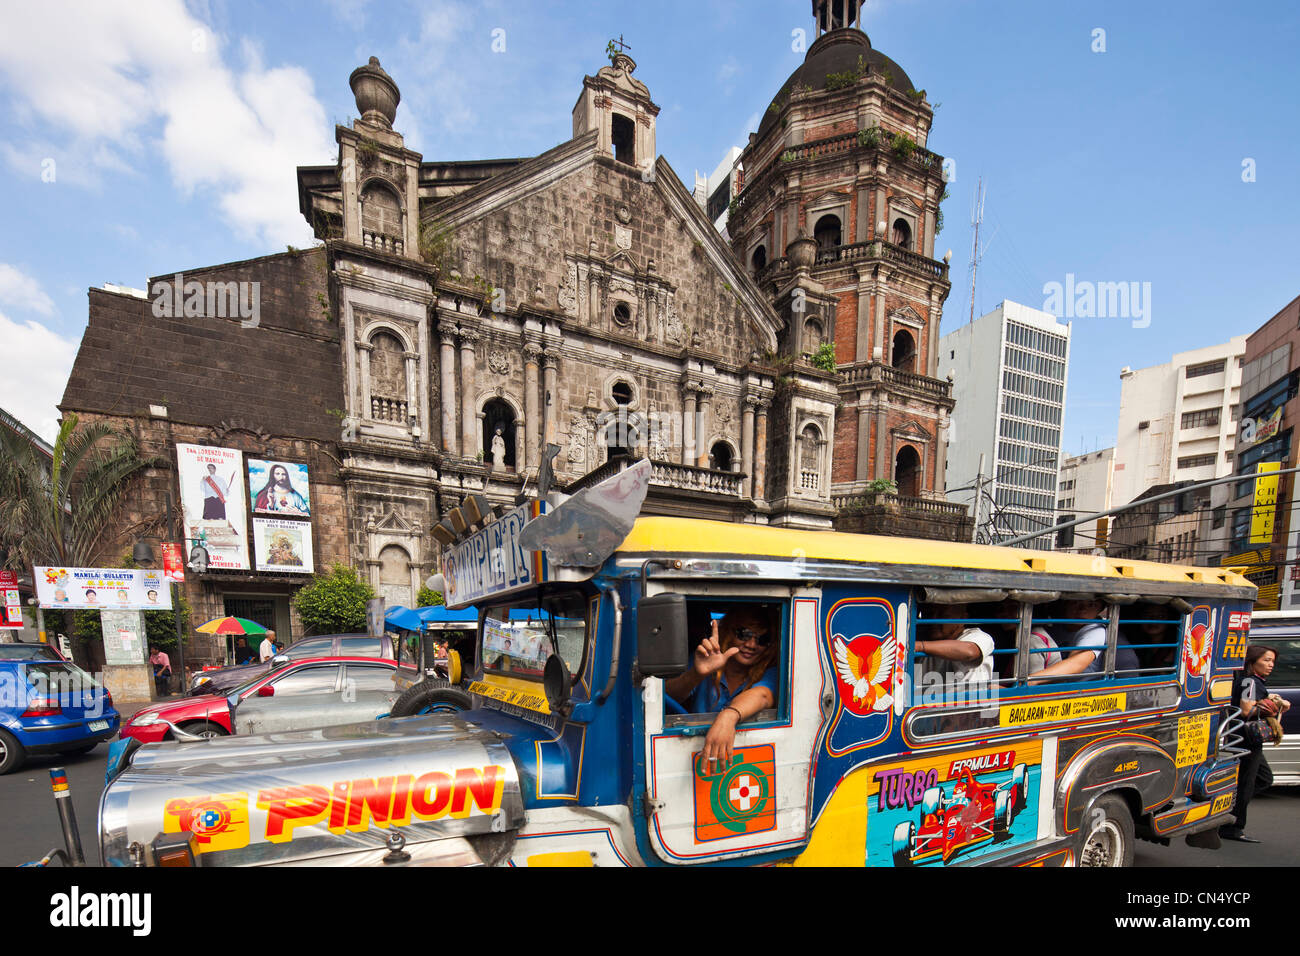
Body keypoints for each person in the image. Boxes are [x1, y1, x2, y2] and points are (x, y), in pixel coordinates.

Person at [664, 609, 778, 770]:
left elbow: (763, 695)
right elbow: (667, 697)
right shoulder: (705, 659)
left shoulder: (770, 671)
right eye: (744, 634)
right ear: (727, 632)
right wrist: (696, 674)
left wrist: (729, 716)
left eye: (762, 639)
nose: (751, 645)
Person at [1220, 645, 1291, 842]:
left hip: (1248, 739)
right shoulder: (1249, 682)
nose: (1271, 665)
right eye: (1266, 660)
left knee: (1262, 778)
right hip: (1245, 739)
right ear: (1252, 661)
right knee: (1246, 783)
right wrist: (1276, 705)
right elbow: (1246, 710)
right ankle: (1231, 827)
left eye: (1273, 661)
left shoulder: (1253, 681)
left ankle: (1228, 813)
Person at [1032, 598, 1138, 682]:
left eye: (1092, 605)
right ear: (1066, 605)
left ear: (1099, 610)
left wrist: (1032, 680)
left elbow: (1077, 663)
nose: (1082, 609)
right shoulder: (1059, 627)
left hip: (1083, 692)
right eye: (1075, 602)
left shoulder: (1096, 630)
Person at [915, 603, 995, 687]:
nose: (933, 620)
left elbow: (970, 652)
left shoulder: (977, 636)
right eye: (929, 614)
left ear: (963, 619)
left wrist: (920, 646)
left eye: (943, 615)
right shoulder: (927, 642)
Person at [986, 599, 1061, 679]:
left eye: (1013, 607)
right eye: (1000, 609)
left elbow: (1030, 687)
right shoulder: (1016, 636)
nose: (1005, 613)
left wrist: (992, 687)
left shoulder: (1031, 641)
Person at [1128, 603, 1178, 671]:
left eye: (1160, 616)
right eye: (1147, 615)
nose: (1153, 620)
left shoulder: (1176, 648)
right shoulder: (1134, 645)